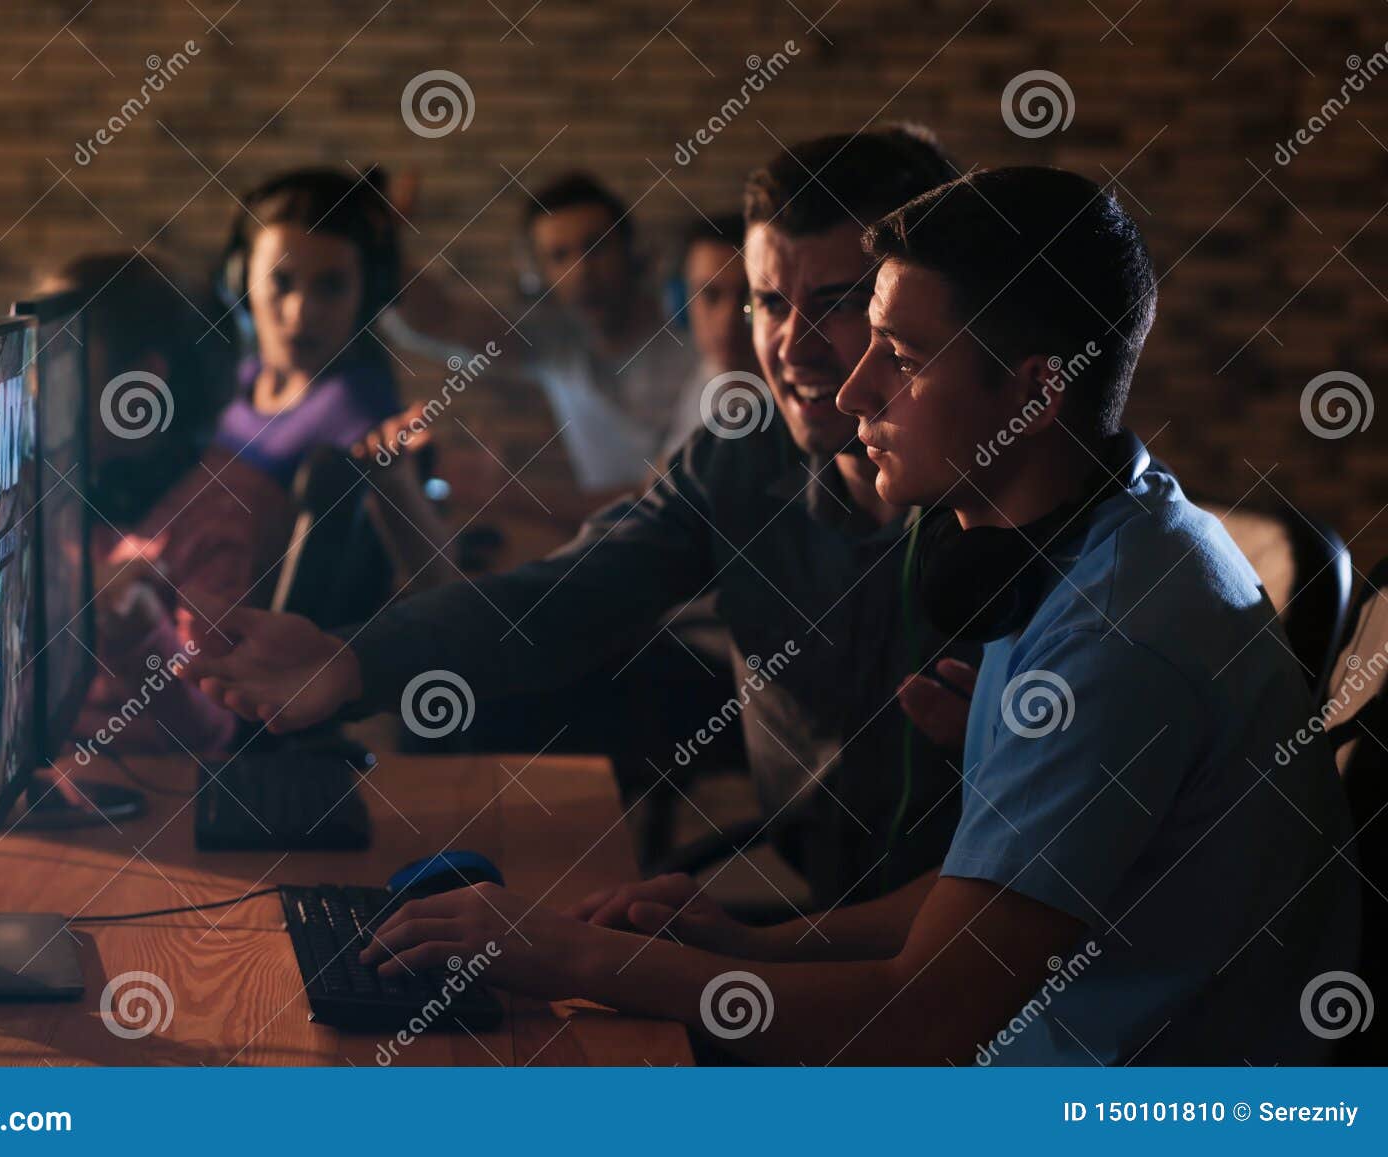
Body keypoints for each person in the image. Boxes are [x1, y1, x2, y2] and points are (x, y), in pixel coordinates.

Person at [348, 167, 1361, 1064]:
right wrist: (752, 944)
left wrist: (573, 952)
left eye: (904, 356)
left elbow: (922, 1025)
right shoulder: (1076, 540)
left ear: (1034, 390)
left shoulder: (1110, 635)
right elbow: (983, 903)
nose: (857, 385)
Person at [194, 127, 977, 909]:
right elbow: (567, 592)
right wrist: (352, 660)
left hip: (967, 945)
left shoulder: (1013, 497)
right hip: (826, 914)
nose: (789, 345)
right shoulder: (738, 457)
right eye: (768, 301)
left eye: (838, 303)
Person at [47, 253, 293, 757]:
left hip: (154, 801)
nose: (33, 390)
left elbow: (212, 731)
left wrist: (137, 634)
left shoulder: (223, 514)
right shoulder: (63, 481)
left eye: (57, 365)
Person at [214, 168, 459, 600]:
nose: (300, 313)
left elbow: (441, 583)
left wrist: (395, 482)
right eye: (281, 282)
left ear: (365, 295)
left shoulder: (358, 412)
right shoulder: (245, 377)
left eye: (331, 287)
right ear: (241, 279)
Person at [391, 171, 699, 512]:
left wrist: (508, 498)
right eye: (559, 256)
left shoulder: (699, 339)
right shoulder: (555, 344)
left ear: (630, 249)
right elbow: (438, 321)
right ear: (538, 274)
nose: (581, 270)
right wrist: (383, 243)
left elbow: (668, 500)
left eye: (596, 247)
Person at [660, 212, 765, 459]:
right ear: (681, 301)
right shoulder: (707, 374)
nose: (728, 319)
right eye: (711, 295)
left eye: (748, 297)